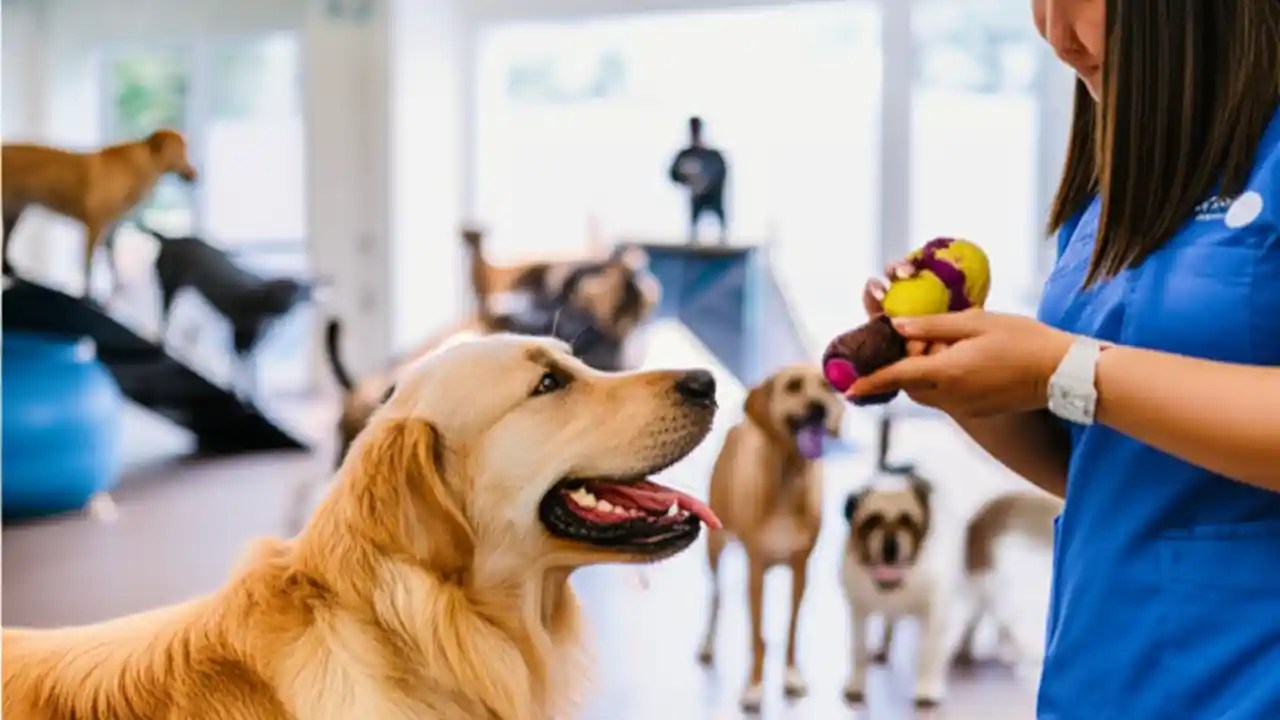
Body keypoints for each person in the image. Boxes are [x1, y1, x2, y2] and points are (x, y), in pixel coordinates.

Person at [849, 1, 1280, 717]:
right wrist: (954, 372)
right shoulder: (1112, 197)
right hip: (1103, 672)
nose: (1054, 35)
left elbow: (1084, 379)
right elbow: (1102, 460)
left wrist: (1068, 368)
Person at [668, 116, 729, 243]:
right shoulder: (685, 154)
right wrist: (685, 176)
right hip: (696, 200)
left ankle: (722, 241)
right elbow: (672, 174)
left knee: (721, 226)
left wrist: (705, 183)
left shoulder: (713, 155)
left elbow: (722, 172)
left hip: (714, 198)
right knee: (693, 229)